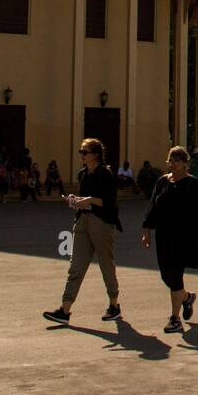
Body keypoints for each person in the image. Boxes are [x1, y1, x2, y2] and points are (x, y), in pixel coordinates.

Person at [43, 138, 123, 326]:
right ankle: (65, 310)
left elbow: (108, 202)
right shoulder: (83, 174)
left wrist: (89, 200)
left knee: (106, 265)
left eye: (85, 152)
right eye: (81, 151)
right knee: (76, 267)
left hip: (102, 222)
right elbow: (84, 199)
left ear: (96, 155)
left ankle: (114, 305)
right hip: (82, 221)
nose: (82, 155)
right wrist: (75, 200)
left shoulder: (105, 174)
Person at [141, 145, 198, 334]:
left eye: (177, 161)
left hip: (185, 236)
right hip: (164, 235)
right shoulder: (162, 182)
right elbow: (152, 206)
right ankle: (186, 297)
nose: (173, 164)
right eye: (170, 161)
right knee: (167, 276)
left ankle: (174, 318)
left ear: (185, 163)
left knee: (176, 274)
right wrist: (146, 229)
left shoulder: (192, 184)